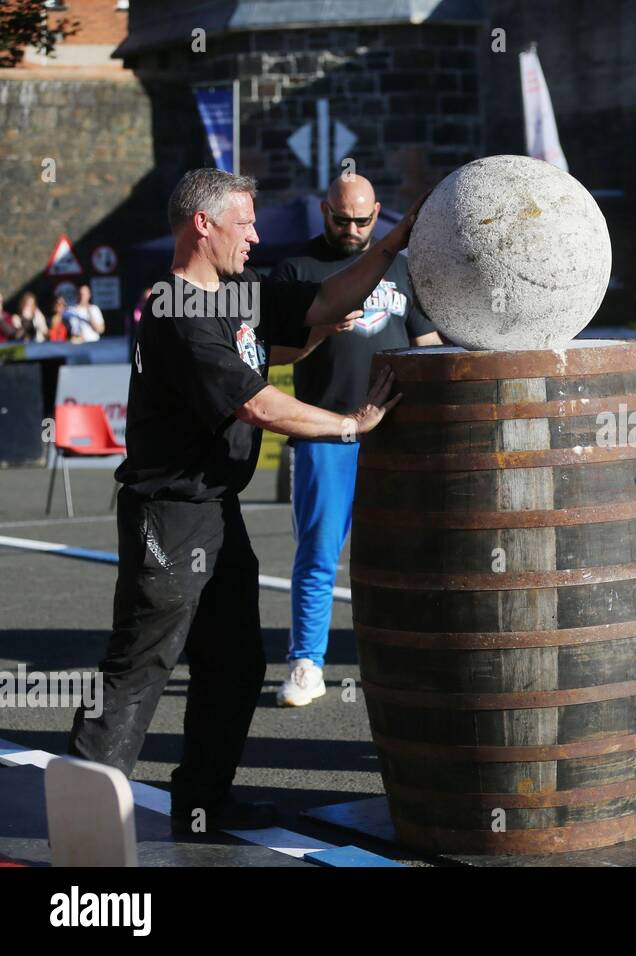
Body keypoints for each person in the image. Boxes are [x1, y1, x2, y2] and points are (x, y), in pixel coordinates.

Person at [67, 167, 425, 836]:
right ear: (203, 224)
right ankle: (83, 830)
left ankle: (202, 803)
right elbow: (257, 403)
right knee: (136, 672)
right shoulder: (176, 308)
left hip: (214, 511)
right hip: (168, 516)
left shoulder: (236, 293)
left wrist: (390, 246)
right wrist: (350, 423)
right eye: (245, 223)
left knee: (235, 664)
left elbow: (321, 304)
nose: (256, 236)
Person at [269, 173, 443, 707]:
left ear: (378, 213)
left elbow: (428, 344)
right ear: (325, 211)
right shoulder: (297, 268)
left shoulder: (403, 266)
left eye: (362, 220)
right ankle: (307, 662)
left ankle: (410, 658)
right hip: (326, 430)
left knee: (412, 556)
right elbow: (271, 354)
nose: (351, 228)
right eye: (341, 219)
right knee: (319, 552)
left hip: (395, 435)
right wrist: (320, 330)